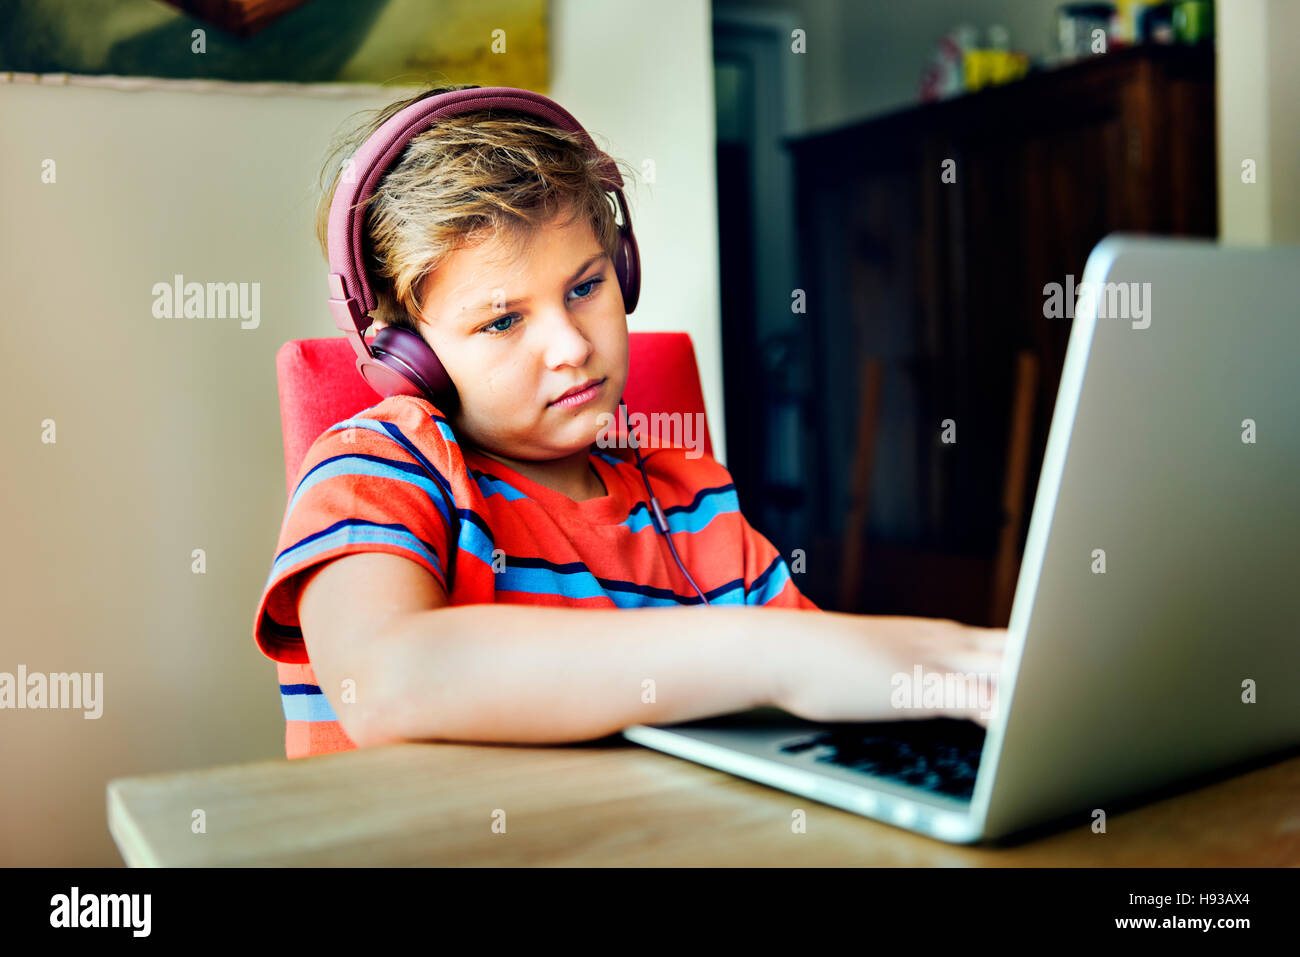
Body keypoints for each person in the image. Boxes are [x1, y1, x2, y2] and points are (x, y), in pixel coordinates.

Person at [252, 84, 1005, 760]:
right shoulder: (371, 471)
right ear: (406, 355)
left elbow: (813, 666)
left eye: (585, 286)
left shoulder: (692, 499)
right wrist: (758, 652)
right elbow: (387, 681)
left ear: (626, 270)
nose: (572, 346)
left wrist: (956, 654)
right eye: (503, 320)